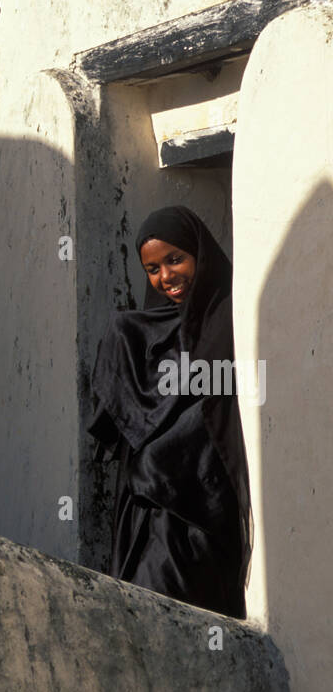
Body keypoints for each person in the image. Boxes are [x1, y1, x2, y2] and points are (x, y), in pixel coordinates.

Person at [88, 205, 253, 618]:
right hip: (148, 510)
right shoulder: (141, 330)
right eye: (152, 269)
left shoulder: (228, 318)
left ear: (200, 253)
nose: (165, 277)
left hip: (201, 507)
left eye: (175, 259)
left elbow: (219, 410)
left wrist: (165, 457)